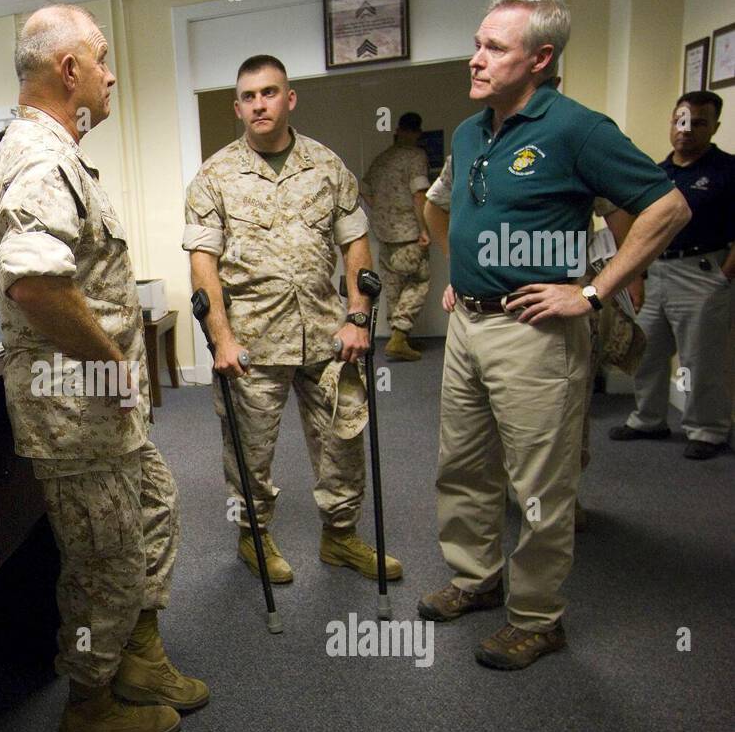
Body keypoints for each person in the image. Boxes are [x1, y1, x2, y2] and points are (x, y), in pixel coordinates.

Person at [418, 0, 689, 669]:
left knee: (539, 481)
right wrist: (466, 269)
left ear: (540, 59)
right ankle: (476, 576)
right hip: (468, 325)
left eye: (495, 49)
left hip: (534, 332)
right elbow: (447, 210)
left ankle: (538, 617)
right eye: (477, 44)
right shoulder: (470, 130)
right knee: (463, 463)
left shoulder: (578, 129)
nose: (476, 60)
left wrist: (592, 292)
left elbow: (667, 206)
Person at [0, 4, 207, 732]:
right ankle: (92, 700)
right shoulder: (40, 158)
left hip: (99, 406)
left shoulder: (40, 151)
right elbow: (30, 282)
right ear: (68, 71)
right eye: (101, 58)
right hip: (77, 409)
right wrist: (107, 361)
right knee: (105, 555)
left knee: (156, 507)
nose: (109, 73)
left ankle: (141, 656)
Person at [183, 54, 403, 587]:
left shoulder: (328, 167)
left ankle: (340, 536)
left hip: (330, 337)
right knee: (249, 455)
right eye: (249, 96)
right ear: (237, 108)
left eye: (270, 92)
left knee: (344, 440)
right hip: (252, 345)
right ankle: (253, 539)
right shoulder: (215, 177)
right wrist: (221, 341)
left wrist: (358, 318)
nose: (260, 103)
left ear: (289, 99)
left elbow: (356, 247)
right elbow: (202, 266)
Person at [423, 153, 636, 530]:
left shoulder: (574, 139)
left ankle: (558, 506)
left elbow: (628, 216)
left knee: (557, 427)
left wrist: (609, 286)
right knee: (474, 434)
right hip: (479, 314)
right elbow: (435, 208)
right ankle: (488, 552)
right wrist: (461, 267)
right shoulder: (472, 143)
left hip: (551, 313)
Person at [610, 90, 735, 460]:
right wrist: (633, 276)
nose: (686, 130)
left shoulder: (727, 172)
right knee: (645, 350)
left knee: (699, 358)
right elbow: (633, 227)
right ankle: (648, 418)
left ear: (714, 127)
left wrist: (724, 275)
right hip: (653, 272)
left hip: (702, 273)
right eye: (680, 121)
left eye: (698, 123)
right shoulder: (656, 174)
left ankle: (707, 430)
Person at [362, 111, 432, 361]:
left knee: (392, 285)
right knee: (419, 281)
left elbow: (365, 189)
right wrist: (425, 228)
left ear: (397, 131)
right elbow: (419, 195)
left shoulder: (382, 159)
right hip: (409, 232)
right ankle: (400, 335)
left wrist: (381, 212)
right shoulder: (416, 156)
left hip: (385, 233)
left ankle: (397, 337)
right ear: (416, 132)